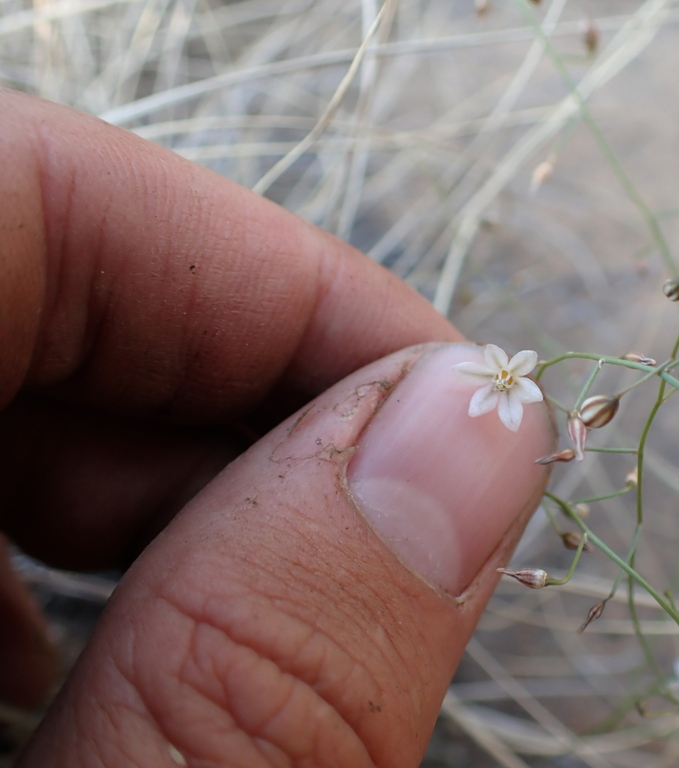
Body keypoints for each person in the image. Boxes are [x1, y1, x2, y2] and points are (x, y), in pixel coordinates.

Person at [0, 89, 555, 767]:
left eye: (509, 380)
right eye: (503, 379)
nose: (505, 382)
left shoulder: (502, 379)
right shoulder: (493, 387)